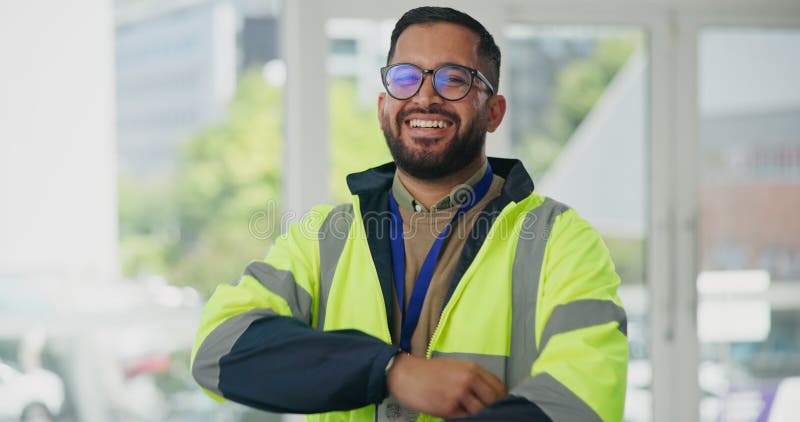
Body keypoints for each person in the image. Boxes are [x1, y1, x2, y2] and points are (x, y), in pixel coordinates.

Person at [191, 6, 628, 422]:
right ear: (384, 106)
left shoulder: (560, 239)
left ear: (494, 112)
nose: (425, 97)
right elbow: (218, 348)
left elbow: (582, 402)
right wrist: (392, 371)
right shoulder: (322, 236)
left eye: (453, 79)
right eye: (406, 78)